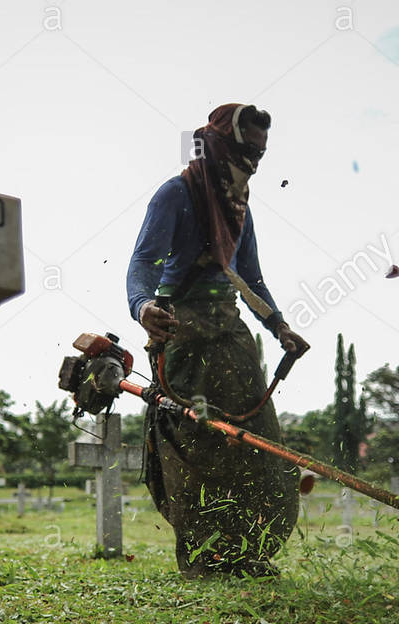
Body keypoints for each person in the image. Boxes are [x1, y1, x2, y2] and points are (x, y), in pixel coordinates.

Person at [127, 103, 309, 577]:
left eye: (262, 154)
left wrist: (279, 325)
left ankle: (249, 553)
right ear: (223, 145)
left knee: (253, 443)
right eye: (249, 150)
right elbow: (142, 263)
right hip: (180, 331)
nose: (255, 163)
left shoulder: (239, 207)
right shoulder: (176, 194)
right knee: (198, 446)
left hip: (231, 334)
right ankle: (204, 559)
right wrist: (144, 307)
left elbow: (249, 276)